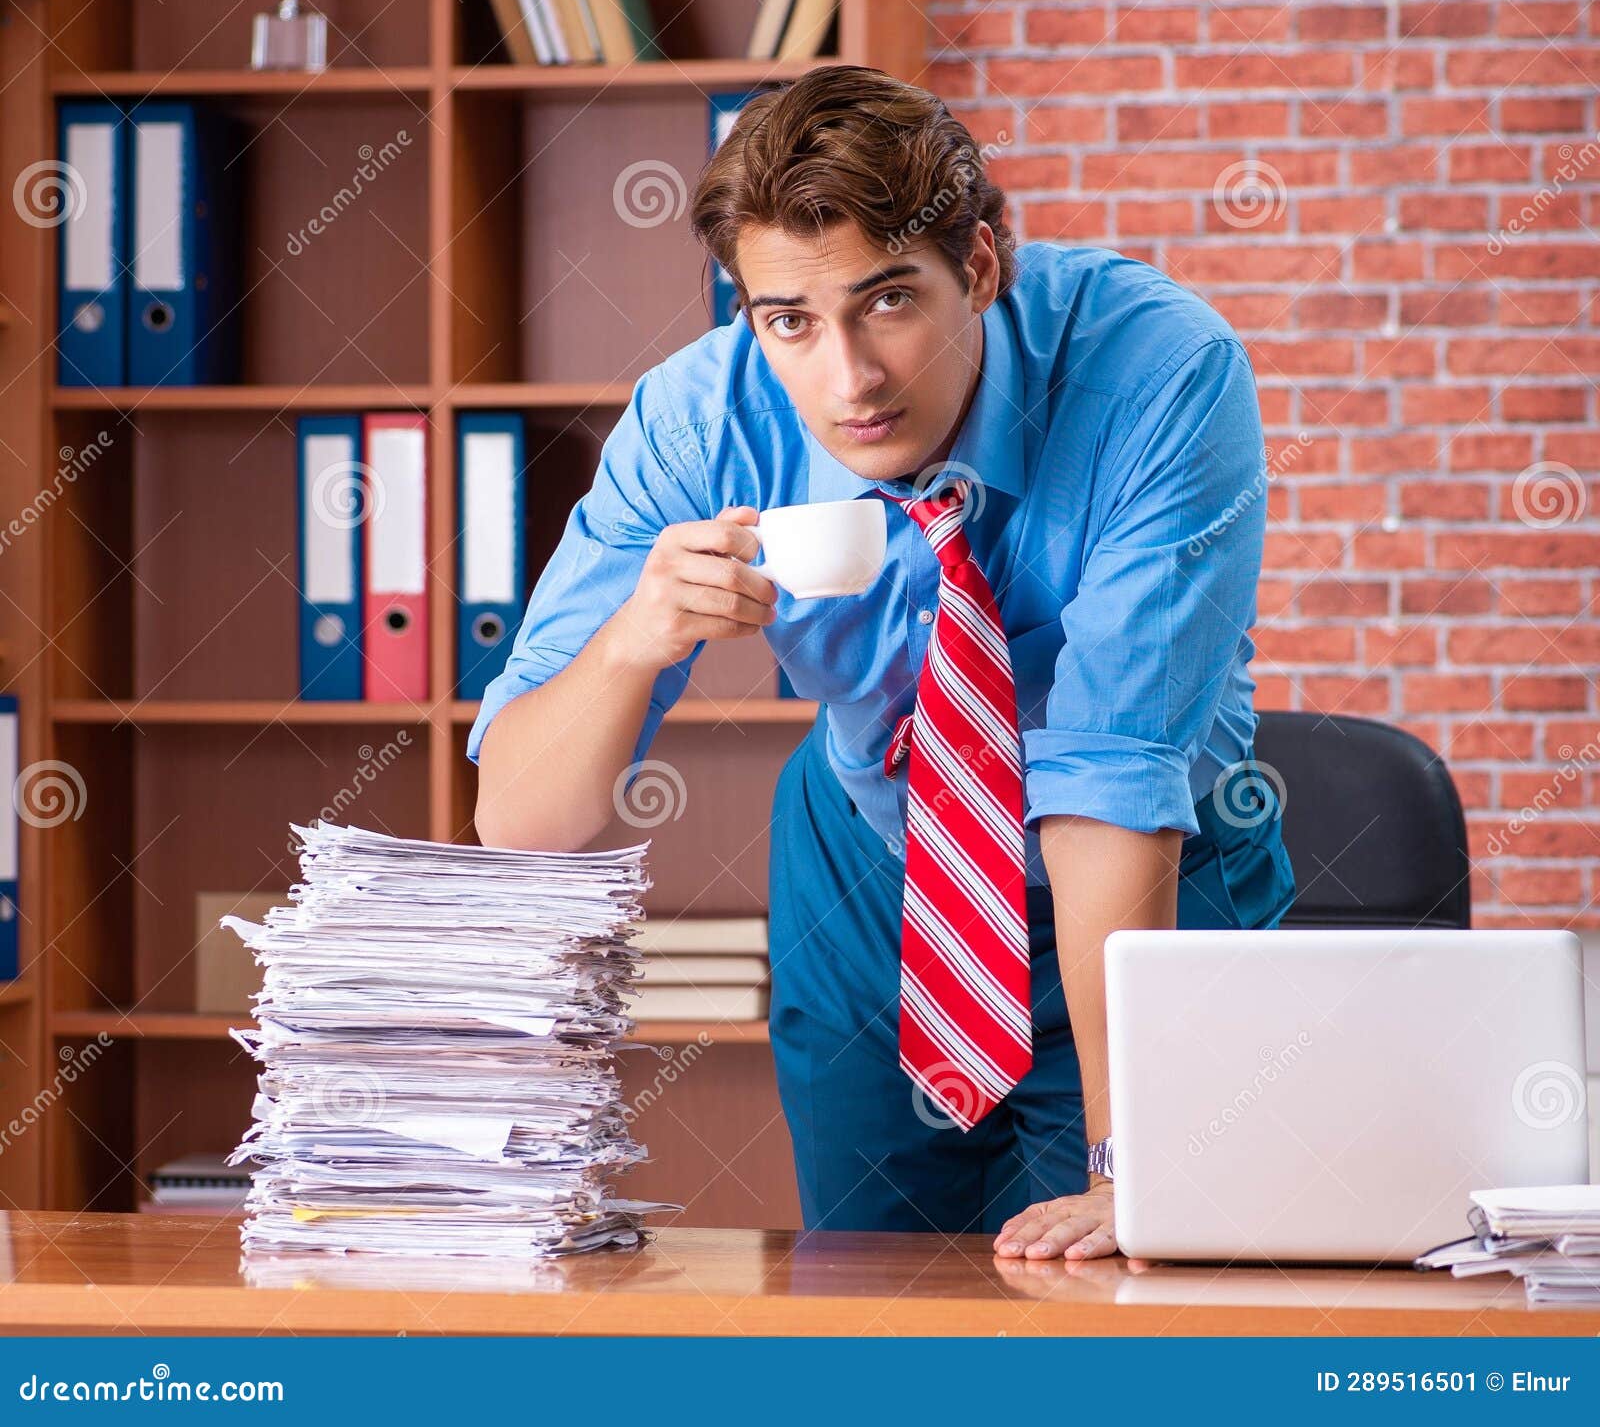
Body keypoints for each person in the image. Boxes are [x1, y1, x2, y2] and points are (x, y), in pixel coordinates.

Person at [468, 64, 1296, 1261]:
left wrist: (1133, 1166)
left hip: (1149, 875)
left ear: (981, 264)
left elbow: (1110, 774)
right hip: (870, 865)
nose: (848, 378)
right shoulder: (697, 422)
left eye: (889, 300)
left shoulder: (1156, 372)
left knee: (1127, 1292)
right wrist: (632, 638)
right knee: (872, 1295)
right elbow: (521, 819)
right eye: (790, 321)